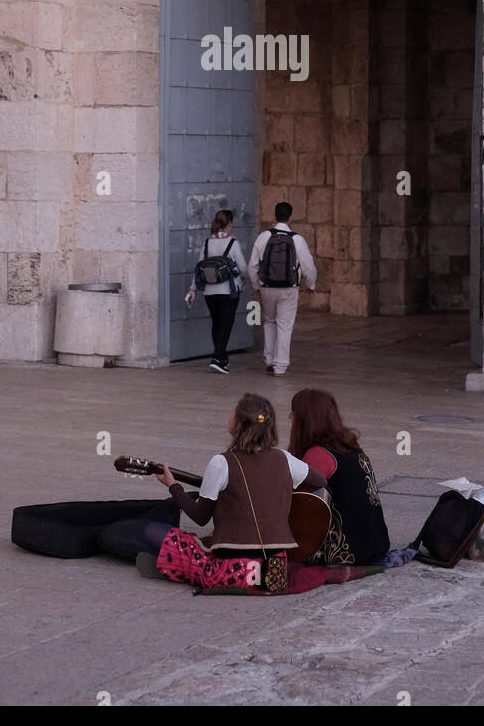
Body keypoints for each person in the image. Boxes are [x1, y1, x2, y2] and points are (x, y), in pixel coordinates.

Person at [143, 393, 328, 587]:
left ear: (239, 425)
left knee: (152, 531)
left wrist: (174, 487)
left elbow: (200, 516)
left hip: (230, 572)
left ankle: (176, 566)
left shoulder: (222, 462)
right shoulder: (284, 458)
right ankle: (175, 565)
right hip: (274, 571)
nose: (229, 415)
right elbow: (319, 480)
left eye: (233, 411)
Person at [288, 388, 390, 565]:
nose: (290, 416)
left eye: (294, 412)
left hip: (346, 551)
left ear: (306, 419)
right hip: (375, 544)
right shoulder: (352, 448)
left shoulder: (319, 455)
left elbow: (294, 499)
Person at [247, 201, 317, 376]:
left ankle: (269, 359)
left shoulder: (263, 237)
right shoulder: (297, 239)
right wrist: (311, 285)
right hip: (288, 289)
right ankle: (280, 365)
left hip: (267, 287)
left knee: (269, 321)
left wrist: (257, 286)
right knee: (285, 325)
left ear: (274, 216)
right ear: (290, 217)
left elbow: (252, 267)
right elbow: (308, 266)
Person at [185, 208, 247, 374]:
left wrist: (193, 289)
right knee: (226, 324)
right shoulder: (233, 243)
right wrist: (244, 279)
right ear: (228, 225)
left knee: (217, 323)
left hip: (209, 291)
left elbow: (199, 268)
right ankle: (218, 358)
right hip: (229, 290)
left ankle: (221, 357)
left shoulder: (207, 243)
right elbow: (242, 267)